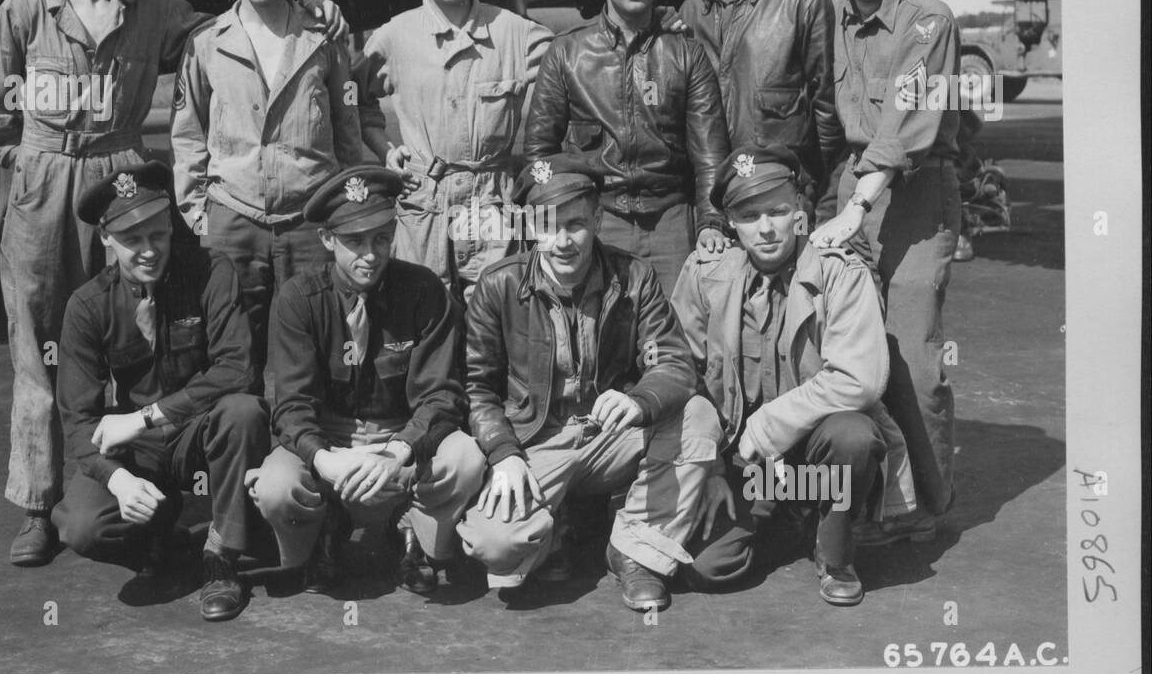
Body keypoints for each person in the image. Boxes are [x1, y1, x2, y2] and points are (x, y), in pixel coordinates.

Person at [0, 0, 210, 567]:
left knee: (133, 336)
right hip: (43, 190)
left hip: (122, 182)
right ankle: (38, 504)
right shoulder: (24, 6)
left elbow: (218, 40)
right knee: (37, 346)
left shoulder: (156, 8)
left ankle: (132, 486)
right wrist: (26, 166)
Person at [457, 155, 715, 612]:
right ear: (529, 226)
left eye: (575, 224)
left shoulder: (633, 277)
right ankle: (556, 527)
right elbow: (477, 388)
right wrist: (503, 454)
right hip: (536, 441)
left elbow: (674, 362)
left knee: (697, 416)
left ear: (597, 219)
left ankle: (634, 552)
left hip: (610, 436)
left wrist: (639, 400)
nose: (561, 242)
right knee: (496, 547)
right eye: (547, 225)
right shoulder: (497, 286)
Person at [671, 146, 912, 606]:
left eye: (779, 211)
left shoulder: (840, 272)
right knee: (708, 568)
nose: (765, 228)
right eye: (748, 215)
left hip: (813, 454)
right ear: (730, 222)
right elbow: (684, 373)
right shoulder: (706, 274)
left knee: (853, 436)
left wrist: (766, 426)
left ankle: (834, 550)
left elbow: (858, 379)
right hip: (745, 462)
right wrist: (712, 466)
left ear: (800, 211)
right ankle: (788, 515)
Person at [250, 166, 486, 595]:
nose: (371, 254)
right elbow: (290, 406)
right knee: (276, 486)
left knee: (466, 458)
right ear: (327, 240)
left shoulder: (423, 290)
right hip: (329, 438)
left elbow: (442, 394)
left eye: (381, 237)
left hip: (402, 435)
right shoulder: (299, 300)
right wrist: (325, 459)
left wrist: (399, 452)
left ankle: (416, 535)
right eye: (354, 242)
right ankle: (319, 538)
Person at [51, 162, 270, 622]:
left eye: (159, 235)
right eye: (133, 240)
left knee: (244, 411)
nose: (149, 251)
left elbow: (237, 369)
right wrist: (119, 480)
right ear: (107, 240)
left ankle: (223, 557)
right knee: (80, 526)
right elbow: (78, 423)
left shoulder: (212, 272)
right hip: (142, 452)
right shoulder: (88, 307)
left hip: (199, 431)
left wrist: (146, 415)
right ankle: (160, 533)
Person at [810, 0, 962, 537]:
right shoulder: (832, 18)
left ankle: (931, 506)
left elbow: (906, 130)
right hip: (853, 192)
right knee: (851, 357)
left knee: (913, 364)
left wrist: (856, 208)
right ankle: (875, 498)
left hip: (915, 198)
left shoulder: (929, 20)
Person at [170, 0, 364, 379]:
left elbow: (348, 131)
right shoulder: (207, 44)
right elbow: (188, 136)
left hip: (309, 218)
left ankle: (301, 449)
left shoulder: (323, 40)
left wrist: (344, 210)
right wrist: (199, 215)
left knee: (310, 347)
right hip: (233, 220)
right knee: (233, 351)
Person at [356, 0, 553, 299]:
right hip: (425, 208)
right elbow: (354, 101)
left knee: (495, 321)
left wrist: (661, 20)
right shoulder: (395, 37)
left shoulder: (515, 32)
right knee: (425, 324)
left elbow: (579, 60)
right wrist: (384, 149)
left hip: (493, 208)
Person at [524, 0, 730, 295]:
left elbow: (710, 153)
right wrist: (553, 222)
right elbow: (539, 153)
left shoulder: (686, 53)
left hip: (671, 223)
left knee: (679, 339)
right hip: (597, 221)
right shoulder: (566, 53)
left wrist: (711, 225)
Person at [679, 0, 837, 216]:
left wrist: (823, 203)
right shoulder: (692, 13)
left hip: (786, 199)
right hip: (720, 203)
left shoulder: (804, 1)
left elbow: (827, 113)